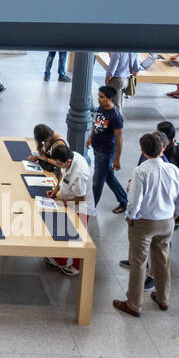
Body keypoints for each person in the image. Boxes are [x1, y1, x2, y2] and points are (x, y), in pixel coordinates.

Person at [113, 133, 179, 317]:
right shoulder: (173, 169)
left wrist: (130, 216)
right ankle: (163, 298)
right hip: (167, 221)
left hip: (144, 223)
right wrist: (177, 214)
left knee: (139, 263)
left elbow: (134, 200)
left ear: (143, 151)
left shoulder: (141, 171)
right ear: (162, 148)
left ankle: (134, 304)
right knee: (163, 260)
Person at [42, 140, 93, 276]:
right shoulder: (69, 157)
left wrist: (63, 201)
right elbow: (62, 175)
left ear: (68, 161)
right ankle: (61, 260)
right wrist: (55, 190)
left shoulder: (79, 175)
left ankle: (76, 266)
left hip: (81, 207)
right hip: (68, 198)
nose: (57, 165)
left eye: (59, 163)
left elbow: (81, 199)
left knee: (77, 236)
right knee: (61, 231)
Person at [87, 85, 127, 214]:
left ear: (110, 99)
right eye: (98, 96)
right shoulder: (101, 108)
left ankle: (90, 208)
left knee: (97, 181)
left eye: (101, 97)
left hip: (105, 152)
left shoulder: (116, 117)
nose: (98, 99)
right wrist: (90, 137)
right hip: (96, 148)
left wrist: (117, 159)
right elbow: (96, 123)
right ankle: (124, 201)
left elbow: (119, 140)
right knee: (109, 177)